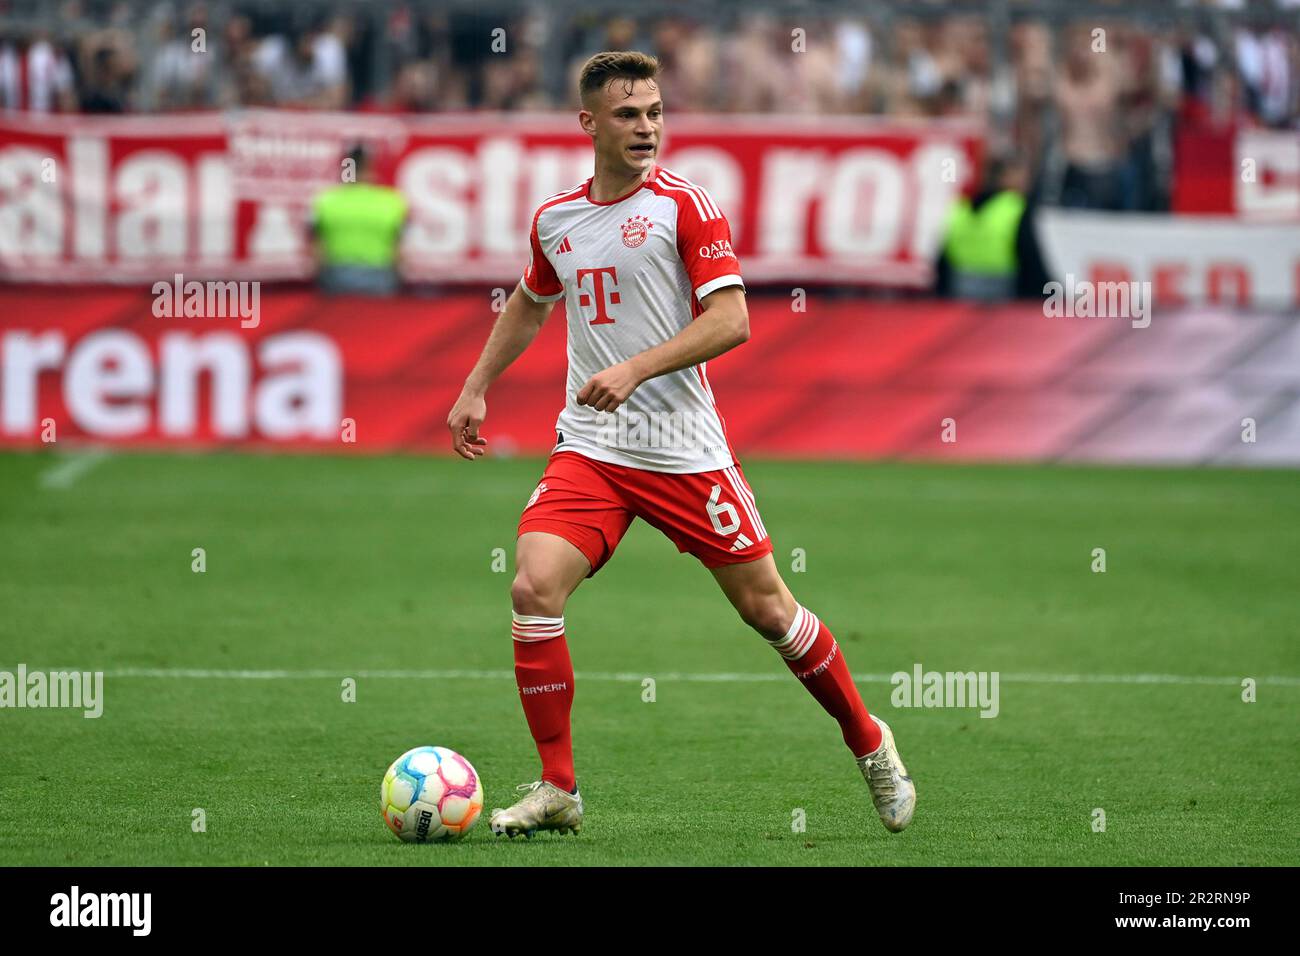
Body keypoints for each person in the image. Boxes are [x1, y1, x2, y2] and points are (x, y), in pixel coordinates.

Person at [445, 51, 915, 838]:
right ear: (589, 123)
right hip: (592, 444)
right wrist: (474, 385)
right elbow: (531, 301)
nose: (647, 127)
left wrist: (634, 367)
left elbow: (733, 321)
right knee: (533, 590)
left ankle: (870, 743)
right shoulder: (556, 218)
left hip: (680, 448)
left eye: (656, 112)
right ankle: (559, 787)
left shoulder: (685, 207)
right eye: (629, 115)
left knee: (770, 612)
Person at [309, 144, 407, 296]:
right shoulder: (392, 202)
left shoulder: (326, 200)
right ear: (371, 167)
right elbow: (398, 250)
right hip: (379, 277)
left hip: (336, 277)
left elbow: (316, 248)